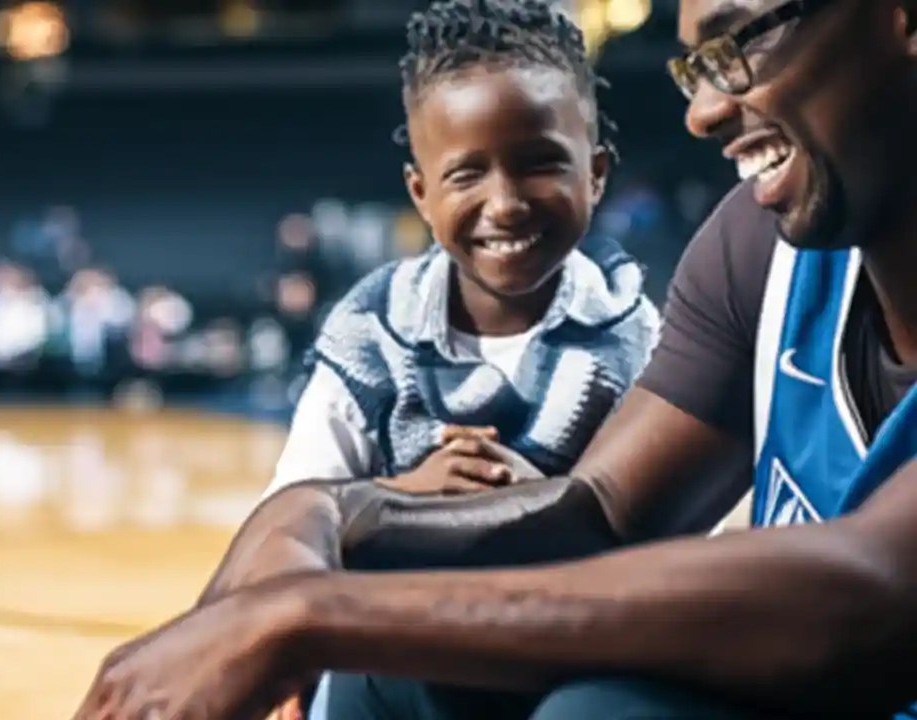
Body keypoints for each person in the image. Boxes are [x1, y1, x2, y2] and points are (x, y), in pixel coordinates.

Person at [72, 0, 917, 718]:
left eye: (745, 41)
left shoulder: (648, 301)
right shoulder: (754, 246)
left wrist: (313, 611)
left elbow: (872, 595)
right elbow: (603, 512)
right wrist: (334, 513)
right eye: (697, 65)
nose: (703, 113)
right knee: (409, 673)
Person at [266, 0, 659, 503]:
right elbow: (287, 521)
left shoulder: (641, 341)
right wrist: (397, 495)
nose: (506, 205)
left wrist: (553, 506)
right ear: (421, 194)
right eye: (467, 174)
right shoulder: (370, 333)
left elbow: (670, 542)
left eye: (541, 164)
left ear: (596, 175)